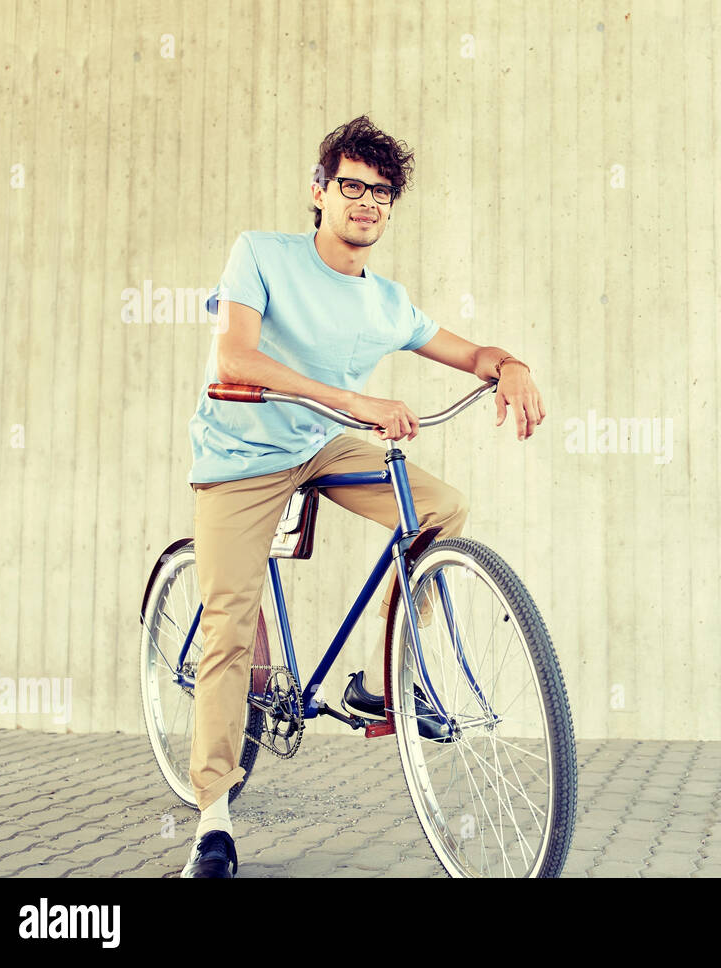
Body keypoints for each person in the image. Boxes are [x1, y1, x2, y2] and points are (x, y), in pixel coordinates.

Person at [179, 116, 545, 878]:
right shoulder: (262, 256)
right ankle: (213, 817)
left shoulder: (385, 302)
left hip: (320, 445)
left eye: (380, 193)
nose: (367, 202)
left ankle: (380, 685)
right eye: (351, 186)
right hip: (242, 454)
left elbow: (470, 352)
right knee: (229, 627)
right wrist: (355, 404)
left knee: (440, 507)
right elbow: (237, 354)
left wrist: (509, 365)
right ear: (320, 192)